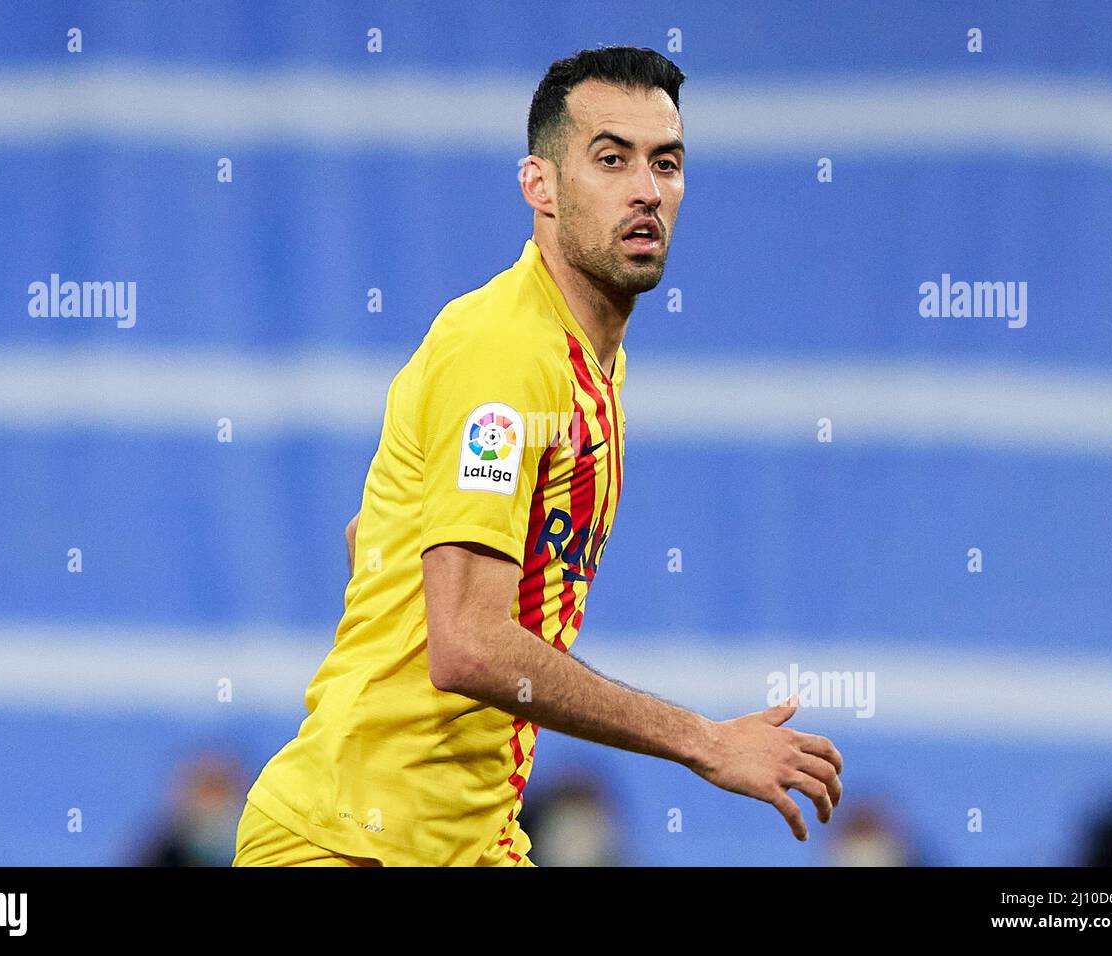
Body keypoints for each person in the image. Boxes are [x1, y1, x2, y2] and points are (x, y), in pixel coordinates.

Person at [235, 45, 843, 867]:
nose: (646, 190)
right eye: (610, 158)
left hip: (472, 842)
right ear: (540, 186)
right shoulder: (505, 352)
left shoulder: (587, 355)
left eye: (666, 163)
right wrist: (703, 740)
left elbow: (369, 537)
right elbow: (470, 644)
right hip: (344, 845)